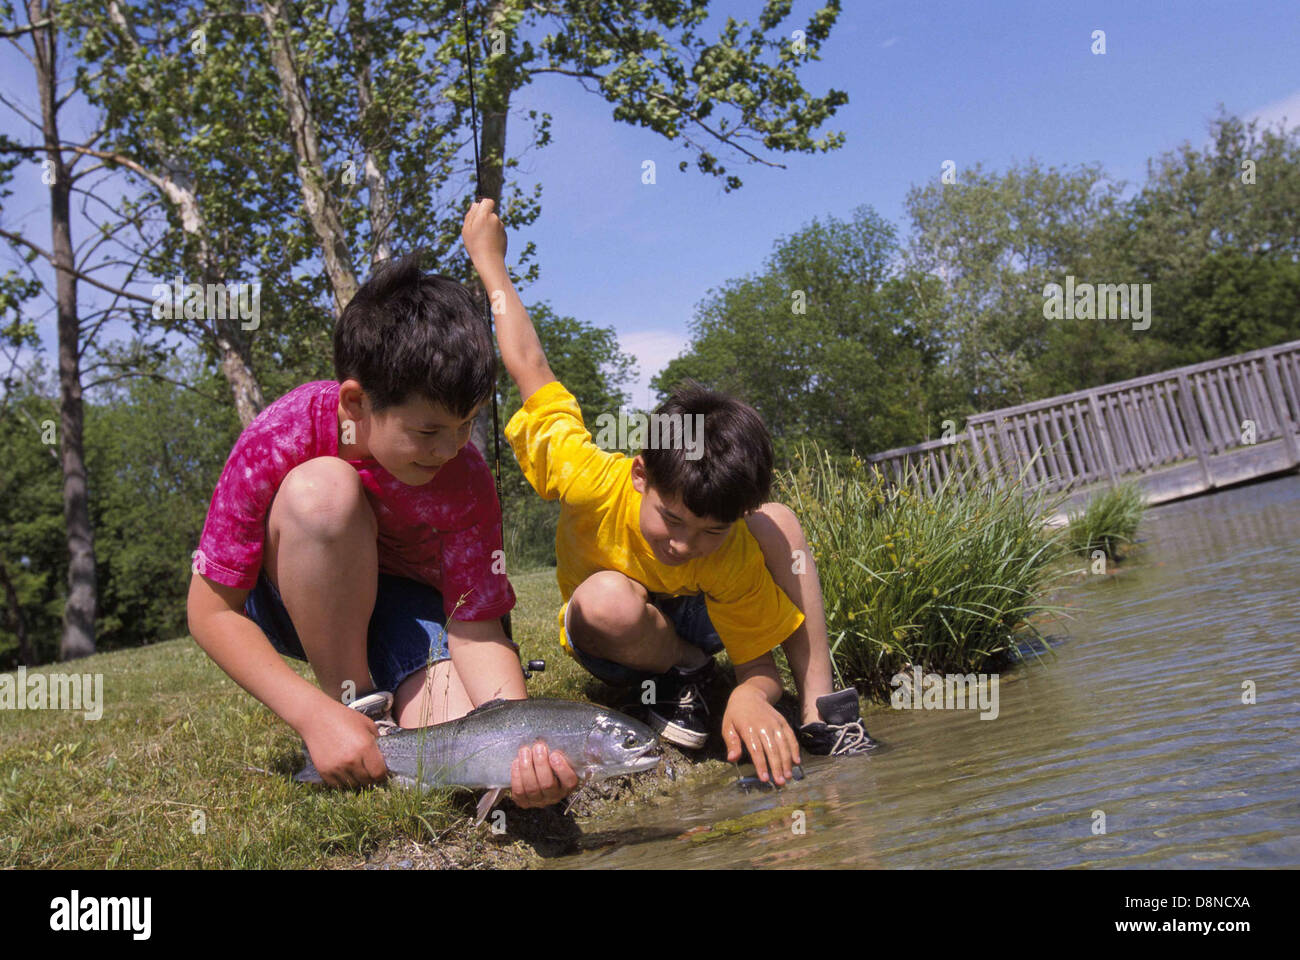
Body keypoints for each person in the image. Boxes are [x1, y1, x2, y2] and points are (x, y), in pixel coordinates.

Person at [462, 199, 873, 786]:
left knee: (779, 521)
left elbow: (757, 665)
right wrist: (490, 262)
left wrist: (754, 695)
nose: (685, 544)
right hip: (613, 633)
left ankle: (822, 710)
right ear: (639, 476)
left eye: (712, 530)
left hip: (704, 617)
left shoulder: (726, 549)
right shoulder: (589, 478)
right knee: (607, 597)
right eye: (672, 519)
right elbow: (529, 363)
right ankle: (690, 675)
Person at [185, 254, 579, 808]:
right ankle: (355, 705)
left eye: (466, 424)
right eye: (428, 430)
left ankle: (389, 730)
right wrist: (313, 714)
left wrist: (519, 744)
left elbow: (476, 628)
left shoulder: (465, 477)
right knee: (323, 491)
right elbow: (211, 612)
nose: (450, 449)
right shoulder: (282, 434)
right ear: (356, 402)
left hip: (408, 612)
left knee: (465, 756)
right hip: (303, 595)